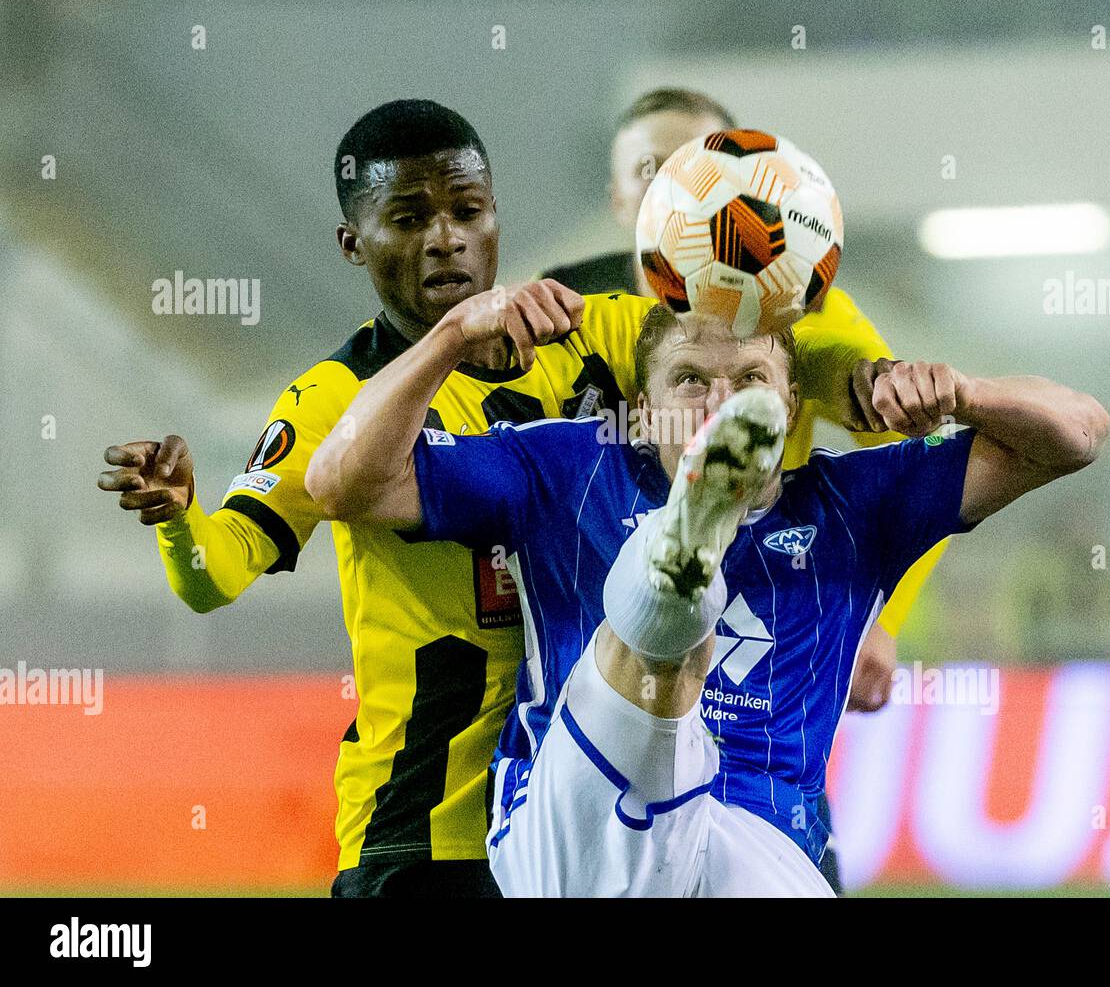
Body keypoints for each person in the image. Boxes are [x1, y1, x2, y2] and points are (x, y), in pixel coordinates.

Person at [95, 100, 895, 896]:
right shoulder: (332, 402)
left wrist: (877, 379)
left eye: (467, 211)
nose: (445, 237)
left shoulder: (597, 336)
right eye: (407, 219)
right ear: (354, 244)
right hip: (426, 827)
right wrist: (178, 523)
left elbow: (768, 341)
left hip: (577, 814)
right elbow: (214, 575)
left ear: (495, 220)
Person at [305, 300, 1110, 896]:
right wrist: (449, 338)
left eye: (750, 381)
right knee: (651, 674)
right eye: (690, 379)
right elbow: (340, 480)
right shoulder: (561, 469)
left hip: (760, 843)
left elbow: (1078, 433)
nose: (719, 401)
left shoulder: (856, 502)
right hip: (580, 826)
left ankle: (683, 550)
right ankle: (684, 549)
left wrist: (963, 394)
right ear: (643, 405)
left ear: (790, 408)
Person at [541, 86, 946, 889]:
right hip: (600, 654)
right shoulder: (567, 303)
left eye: (698, 161)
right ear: (623, 195)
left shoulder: (804, 313)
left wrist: (881, 623)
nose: (679, 182)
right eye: (652, 168)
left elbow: (912, 453)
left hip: (763, 654)